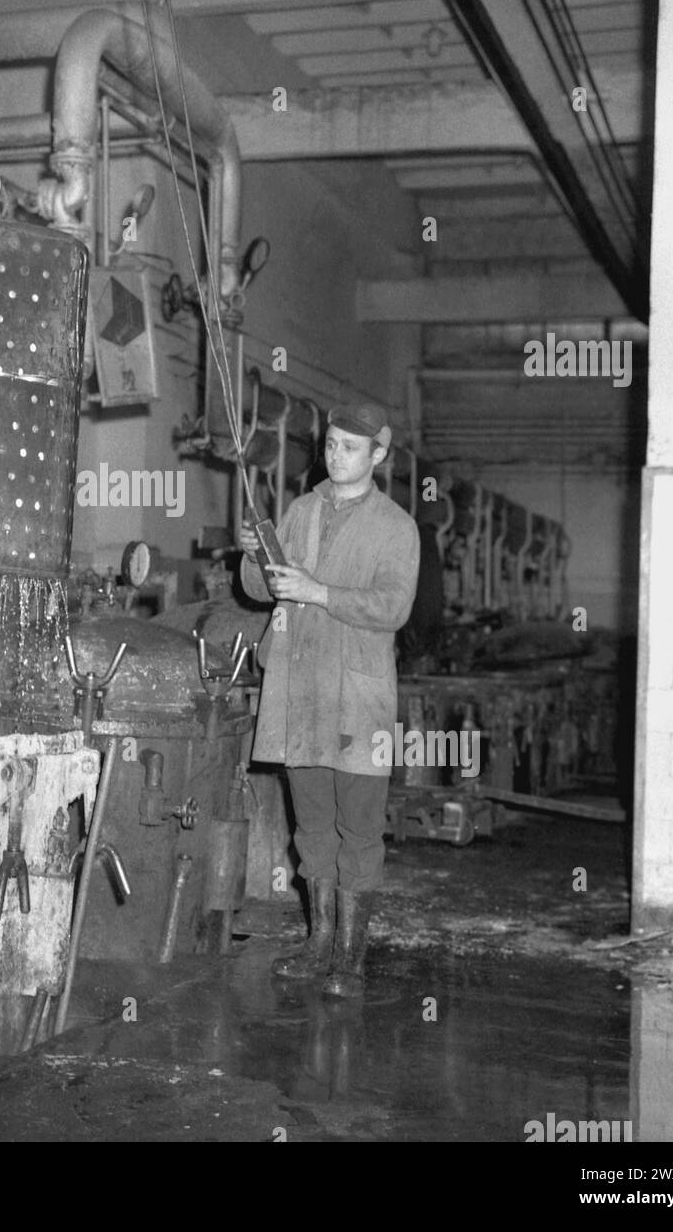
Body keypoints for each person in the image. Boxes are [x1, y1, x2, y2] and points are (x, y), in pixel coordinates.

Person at [240, 401, 420, 998]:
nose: (335, 454)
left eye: (349, 445)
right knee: (311, 826)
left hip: (358, 698)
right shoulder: (300, 511)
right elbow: (259, 587)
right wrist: (255, 554)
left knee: (360, 831)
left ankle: (351, 957)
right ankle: (318, 945)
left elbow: (393, 607)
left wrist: (317, 592)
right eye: (331, 443)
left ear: (378, 453)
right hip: (300, 690)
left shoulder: (396, 527)